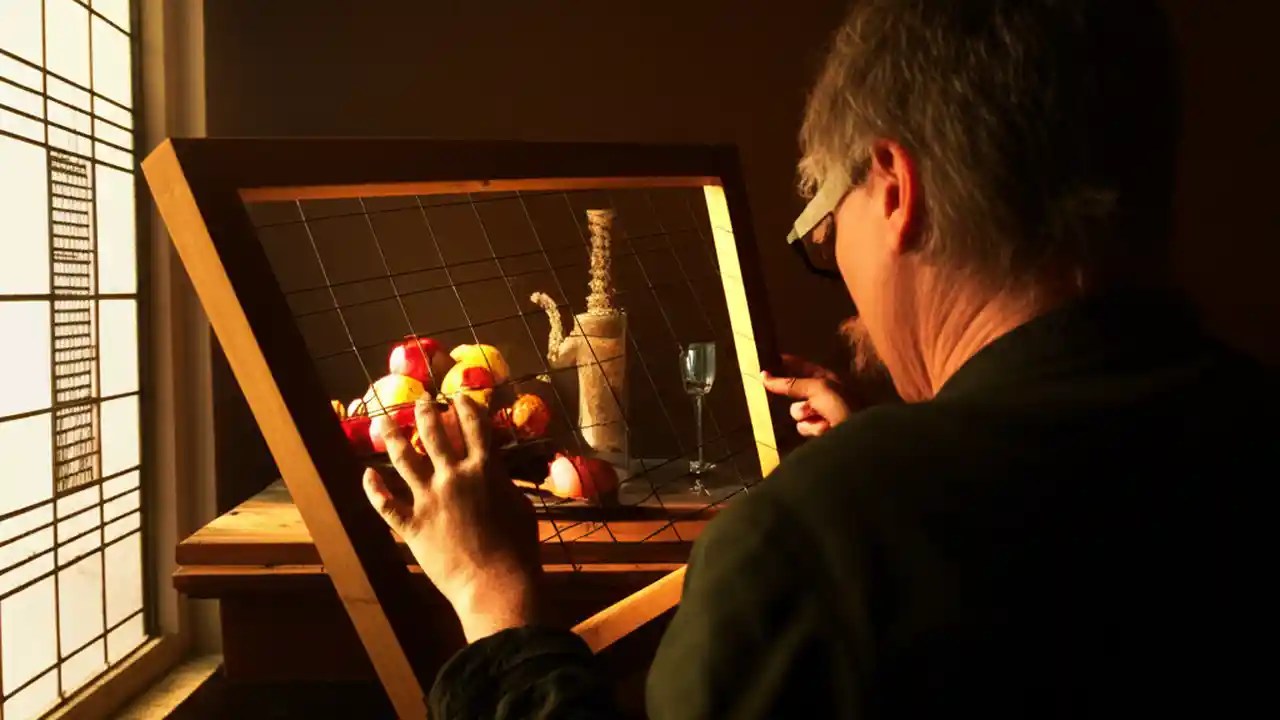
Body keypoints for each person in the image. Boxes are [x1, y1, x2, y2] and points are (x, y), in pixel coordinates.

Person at [364, 1, 1275, 717]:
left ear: (895, 187)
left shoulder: (801, 550)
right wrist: (907, 454)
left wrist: (495, 610)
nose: (836, 267)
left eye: (823, 224)